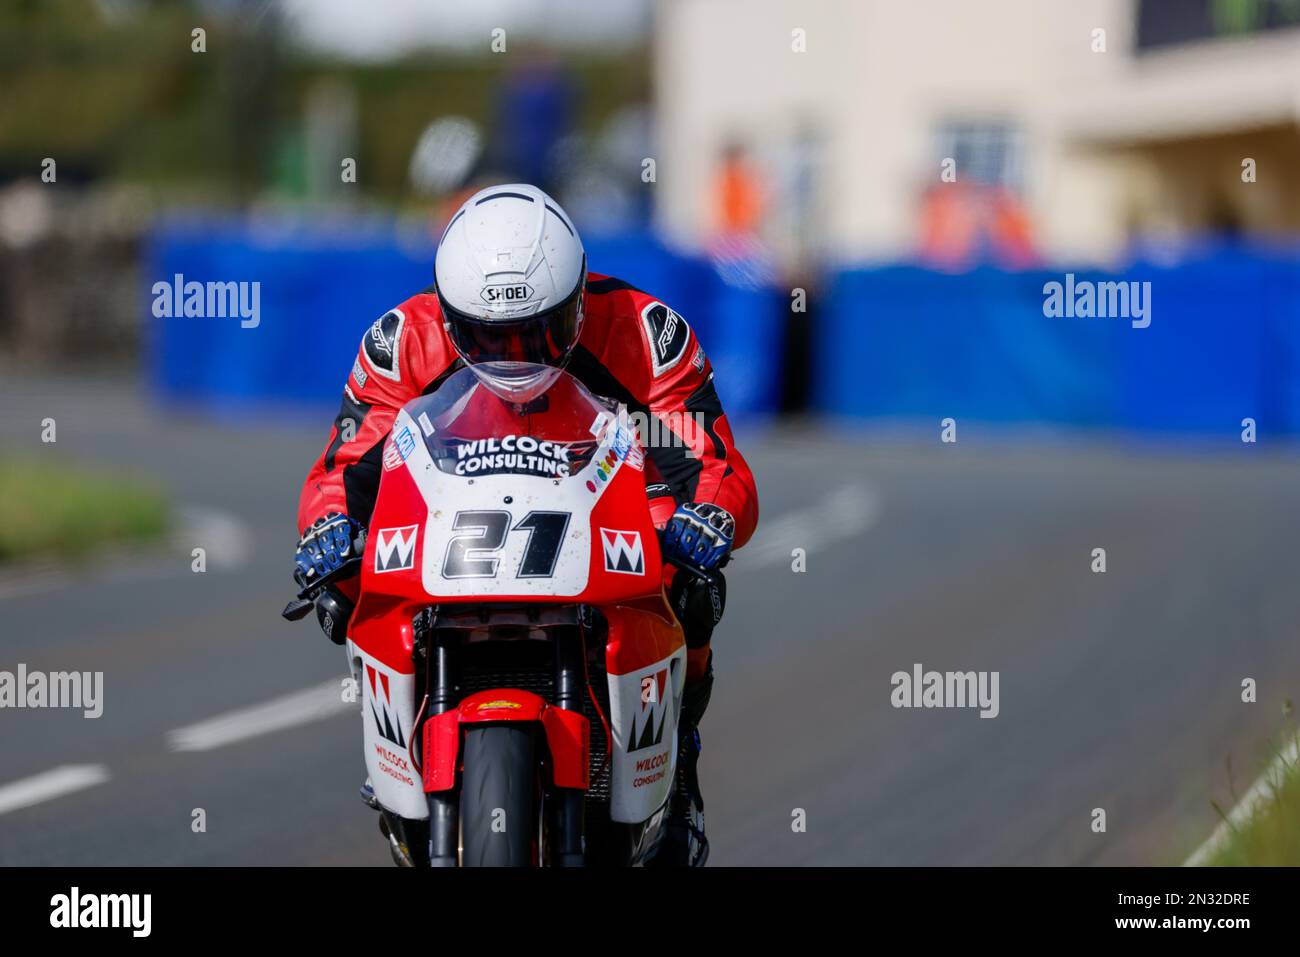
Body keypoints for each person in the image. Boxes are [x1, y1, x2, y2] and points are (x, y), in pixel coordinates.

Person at [293, 183, 759, 865]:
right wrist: (328, 530)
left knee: (693, 589)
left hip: (606, 520)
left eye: (539, 330)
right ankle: (405, 773)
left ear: (574, 299)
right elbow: (342, 467)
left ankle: (673, 776)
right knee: (343, 592)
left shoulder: (640, 330)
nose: (516, 354)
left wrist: (707, 515)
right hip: (457, 533)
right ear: (451, 317)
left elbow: (712, 457)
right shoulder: (405, 341)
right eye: (489, 336)